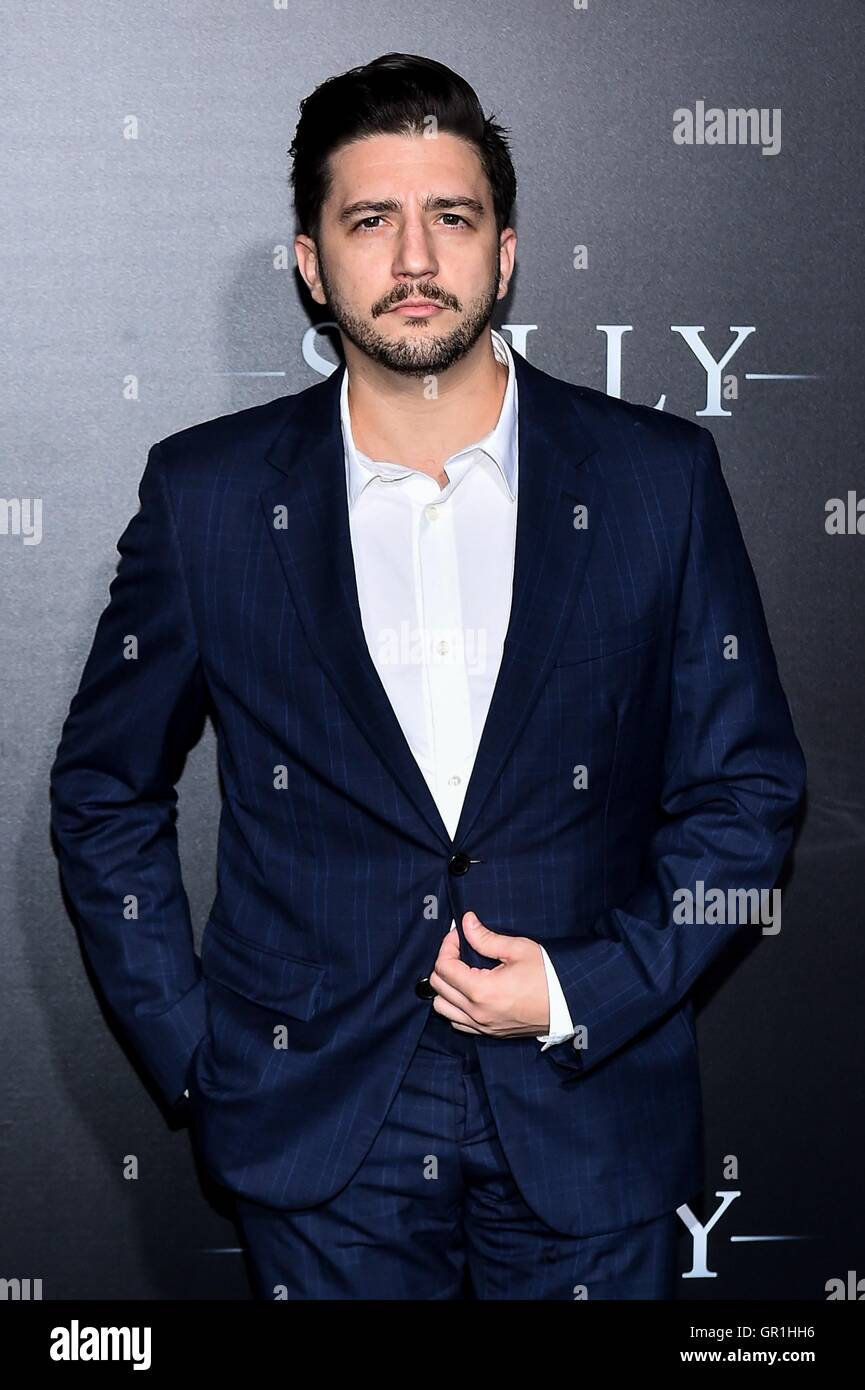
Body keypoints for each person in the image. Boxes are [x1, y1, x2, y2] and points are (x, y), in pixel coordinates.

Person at [49, 52, 806, 1300]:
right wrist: (196, 1056)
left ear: (504, 254)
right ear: (312, 262)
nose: (413, 260)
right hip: (317, 1122)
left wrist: (582, 986)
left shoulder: (653, 479)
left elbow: (748, 794)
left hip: (588, 1101)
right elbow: (104, 792)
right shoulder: (210, 496)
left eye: (450, 218)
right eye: (370, 220)